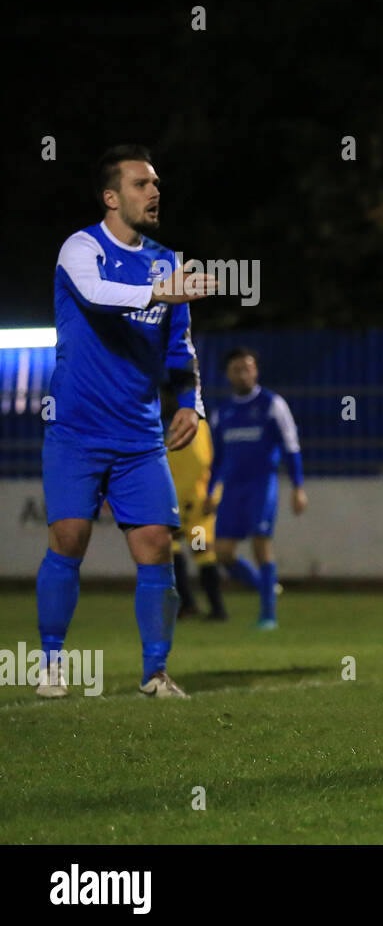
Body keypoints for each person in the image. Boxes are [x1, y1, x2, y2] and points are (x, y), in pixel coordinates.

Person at [37, 144, 217, 699]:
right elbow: (97, 295)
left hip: (141, 437)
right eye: (141, 184)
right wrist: (163, 288)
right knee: (68, 537)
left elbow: (180, 350)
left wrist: (191, 403)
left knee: (157, 548)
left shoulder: (168, 260)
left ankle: (156, 673)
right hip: (77, 431)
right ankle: (50, 663)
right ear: (111, 197)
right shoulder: (81, 247)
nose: (154, 191)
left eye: (156, 183)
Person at [204, 347, 306, 629]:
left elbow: (291, 446)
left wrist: (298, 487)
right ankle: (267, 585)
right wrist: (211, 490)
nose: (243, 373)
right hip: (233, 489)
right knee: (223, 553)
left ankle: (268, 615)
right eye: (237, 369)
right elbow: (218, 458)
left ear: (256, 371)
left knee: (261, 543)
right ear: (228, 374)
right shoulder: (222, 414)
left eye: (247, 368)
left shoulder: (272, 404)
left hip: (263, 484)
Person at [163, 389, 228, 621]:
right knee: (173, 551)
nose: (162, 401)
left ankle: (215, 608)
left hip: (195, 505)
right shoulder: (168, 427)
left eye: (166, 397)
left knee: (200, 552)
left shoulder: (196, 428)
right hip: (177, 505)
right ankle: (190, 605)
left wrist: (214, 495)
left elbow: (206, 464)